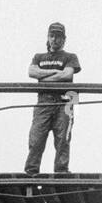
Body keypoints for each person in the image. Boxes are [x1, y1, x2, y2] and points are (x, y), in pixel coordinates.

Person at [25, 22, 81, 175]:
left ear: (64, 39)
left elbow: (67, 74)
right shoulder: (38, 57)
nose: (55, 39)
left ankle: (61, 171)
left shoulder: (70, 57)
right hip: (43, 102)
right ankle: (31, 171)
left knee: (63, 139)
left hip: (66, 101)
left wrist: (44, 77)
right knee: (36, 138)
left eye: (58, 37)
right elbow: (31, 72)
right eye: (52, 36)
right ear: (48, 37)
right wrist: (57, 72)